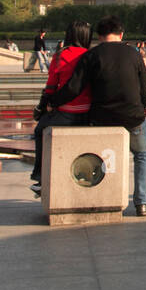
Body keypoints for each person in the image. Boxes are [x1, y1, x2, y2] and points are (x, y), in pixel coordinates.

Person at [48, 15, 146, 215]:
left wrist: (51, 102)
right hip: (132, 115)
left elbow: (74, 87)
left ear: (98, 36)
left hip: (103, 117)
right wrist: (140, 108)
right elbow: (144, 87)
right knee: (142, 155)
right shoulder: (134, 54)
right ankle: (143, 202)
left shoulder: (92, 55)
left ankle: (107, 196)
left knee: (105, 157)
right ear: (121, 34)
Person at [29, 21, 93, 197]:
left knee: (40, 130)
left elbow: (50, 87)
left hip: (67, 113)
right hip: (88, 114)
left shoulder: (60, 56)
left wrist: (43, 107)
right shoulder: (91, 55)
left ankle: (41, 177)